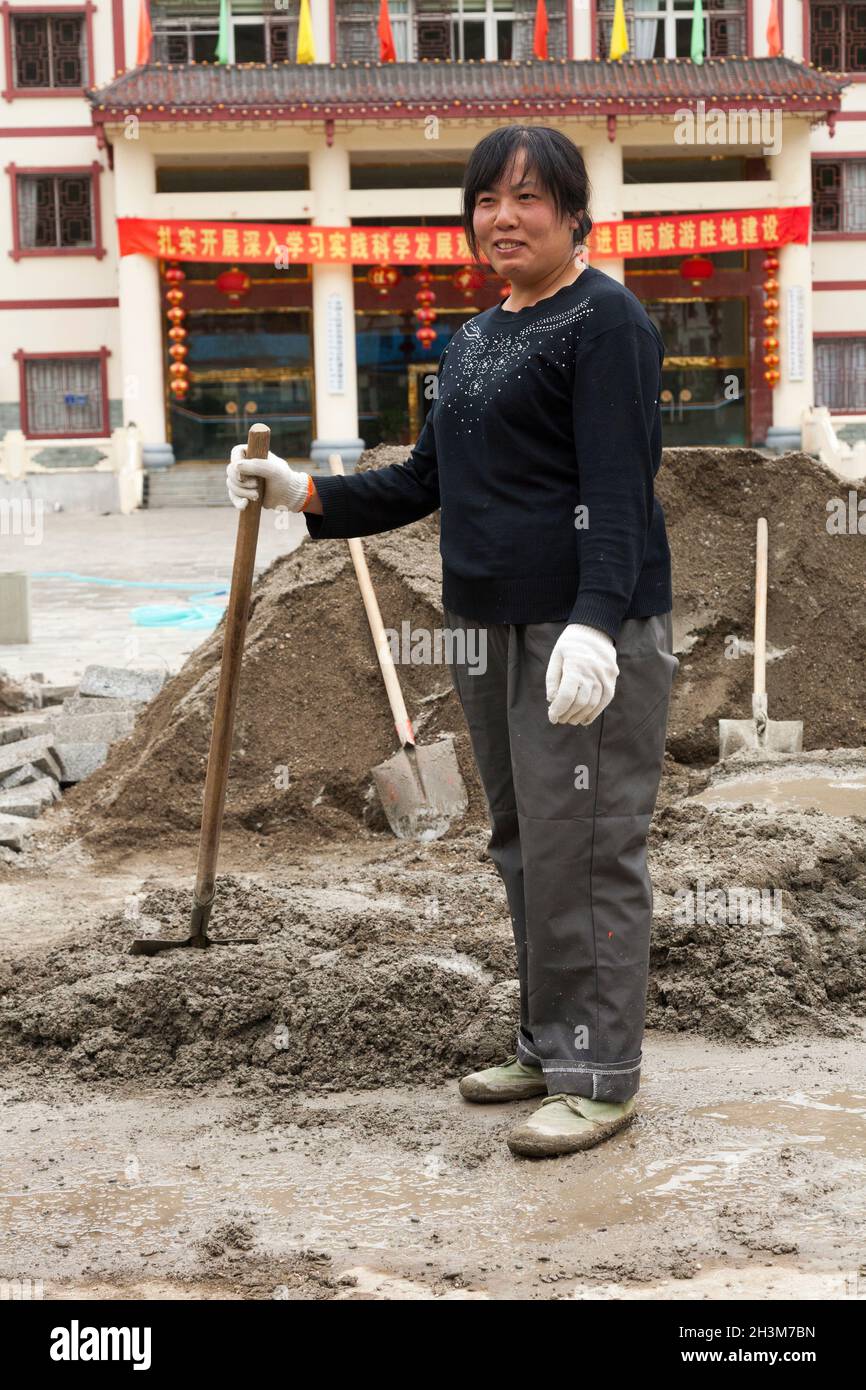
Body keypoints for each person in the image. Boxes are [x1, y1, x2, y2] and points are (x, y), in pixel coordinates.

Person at [226, 125, 678, 1160]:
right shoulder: (471, 338)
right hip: (487, 625)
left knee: (588, 846)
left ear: (574, 214)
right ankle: (547, 1045)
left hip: (581, 630)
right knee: (524, 845)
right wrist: (301, 492)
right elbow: (425, 479)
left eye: (528, 197)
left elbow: (618, 489)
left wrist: (595, 623)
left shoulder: (605, 320)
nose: (502, 218)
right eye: (485, 199)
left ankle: (599, 1076)